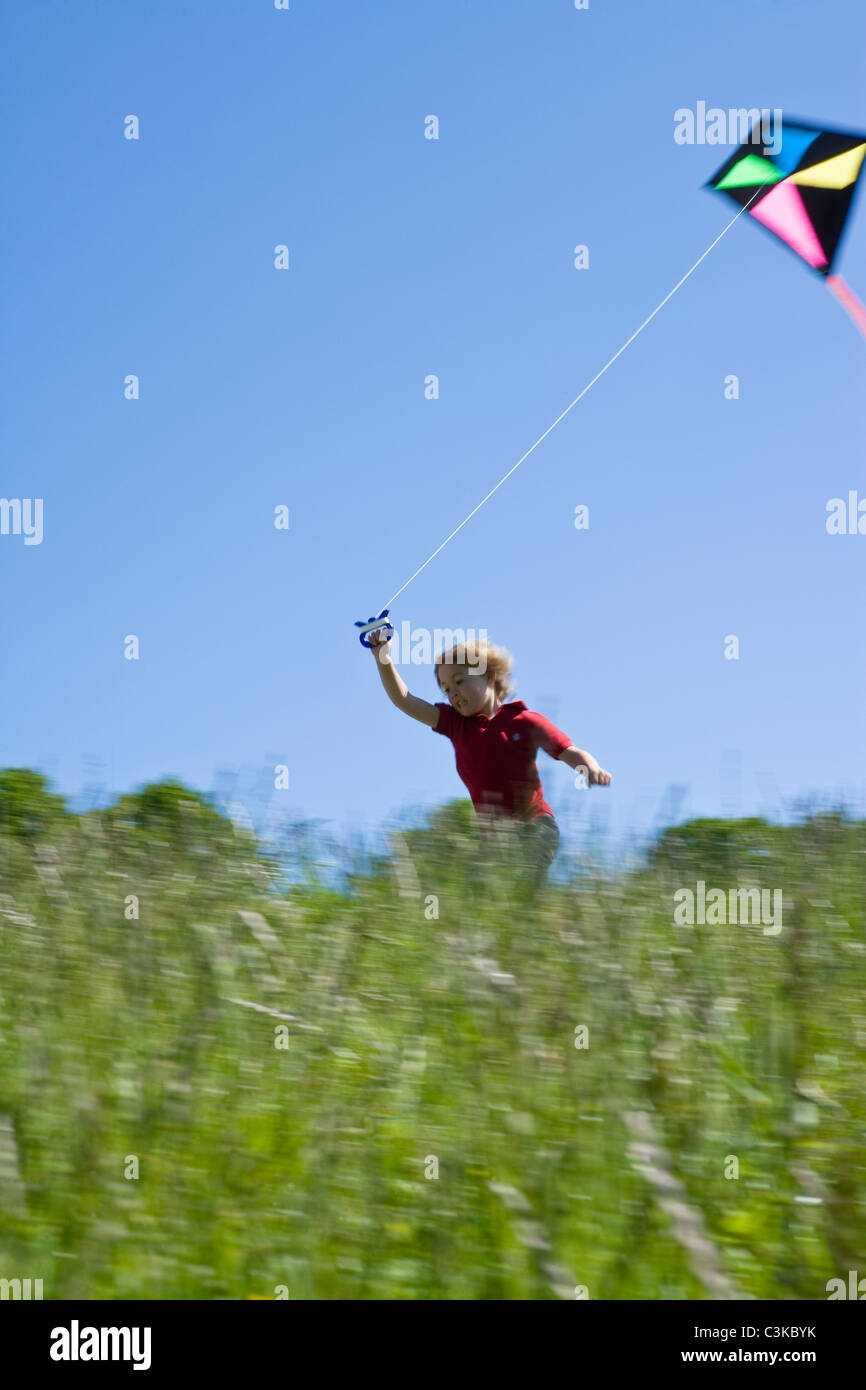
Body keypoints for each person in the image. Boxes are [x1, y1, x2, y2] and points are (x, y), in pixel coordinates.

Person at [367, 630, 611, 889]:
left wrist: (590, 768)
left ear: (489, 676)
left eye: (459, 681)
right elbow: (404, 700)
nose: (453, 693)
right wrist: (383, 657)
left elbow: (569, 751)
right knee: (487, 902)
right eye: (446, 688)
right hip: (495, 844)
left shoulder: (525, 720)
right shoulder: (456, 725)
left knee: (523, 889)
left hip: (535, 827)